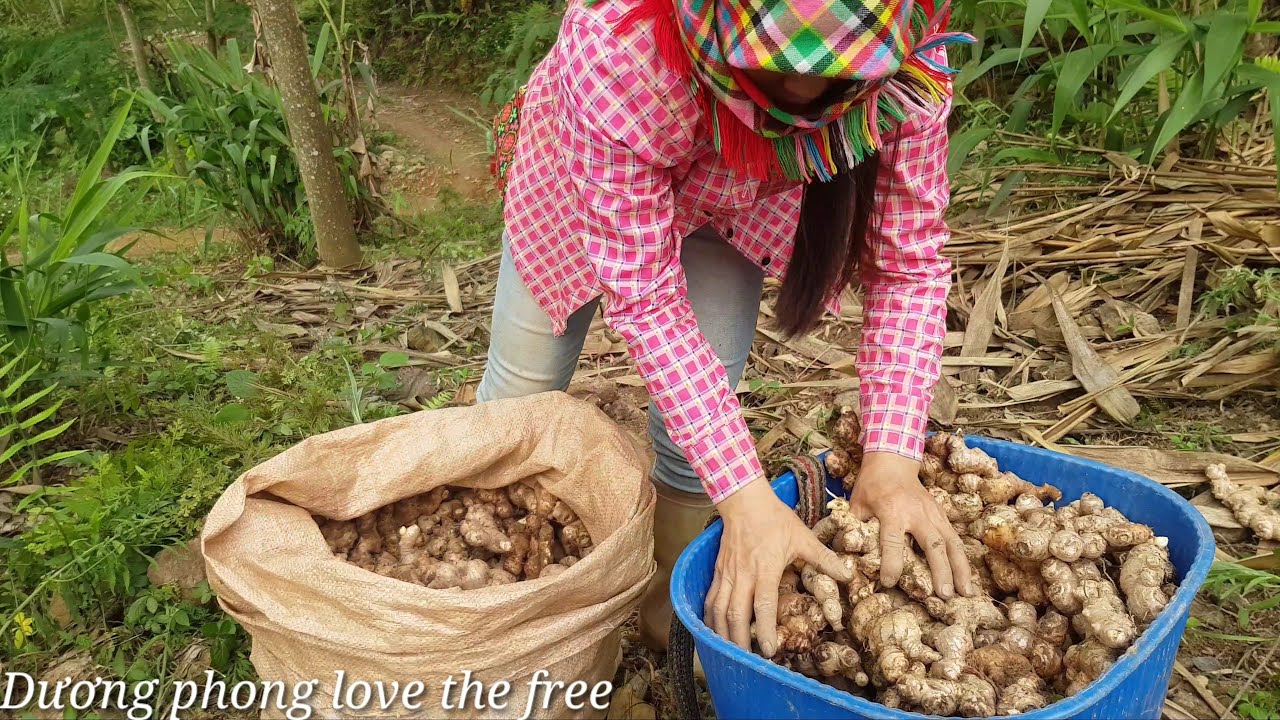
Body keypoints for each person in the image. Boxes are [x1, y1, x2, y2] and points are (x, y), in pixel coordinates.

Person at [477, 0, 975, 659]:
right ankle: (483, 599)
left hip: (737, 194)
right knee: (523, 388)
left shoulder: (908, 72)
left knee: (701, 442)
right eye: (771, 71)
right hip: (582, 177)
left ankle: (669, 622)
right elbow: (646, 299)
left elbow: (907, 265)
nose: (801, 89)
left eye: (836, 77)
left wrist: (892, 459)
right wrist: (745, 497)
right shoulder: (618, 45)